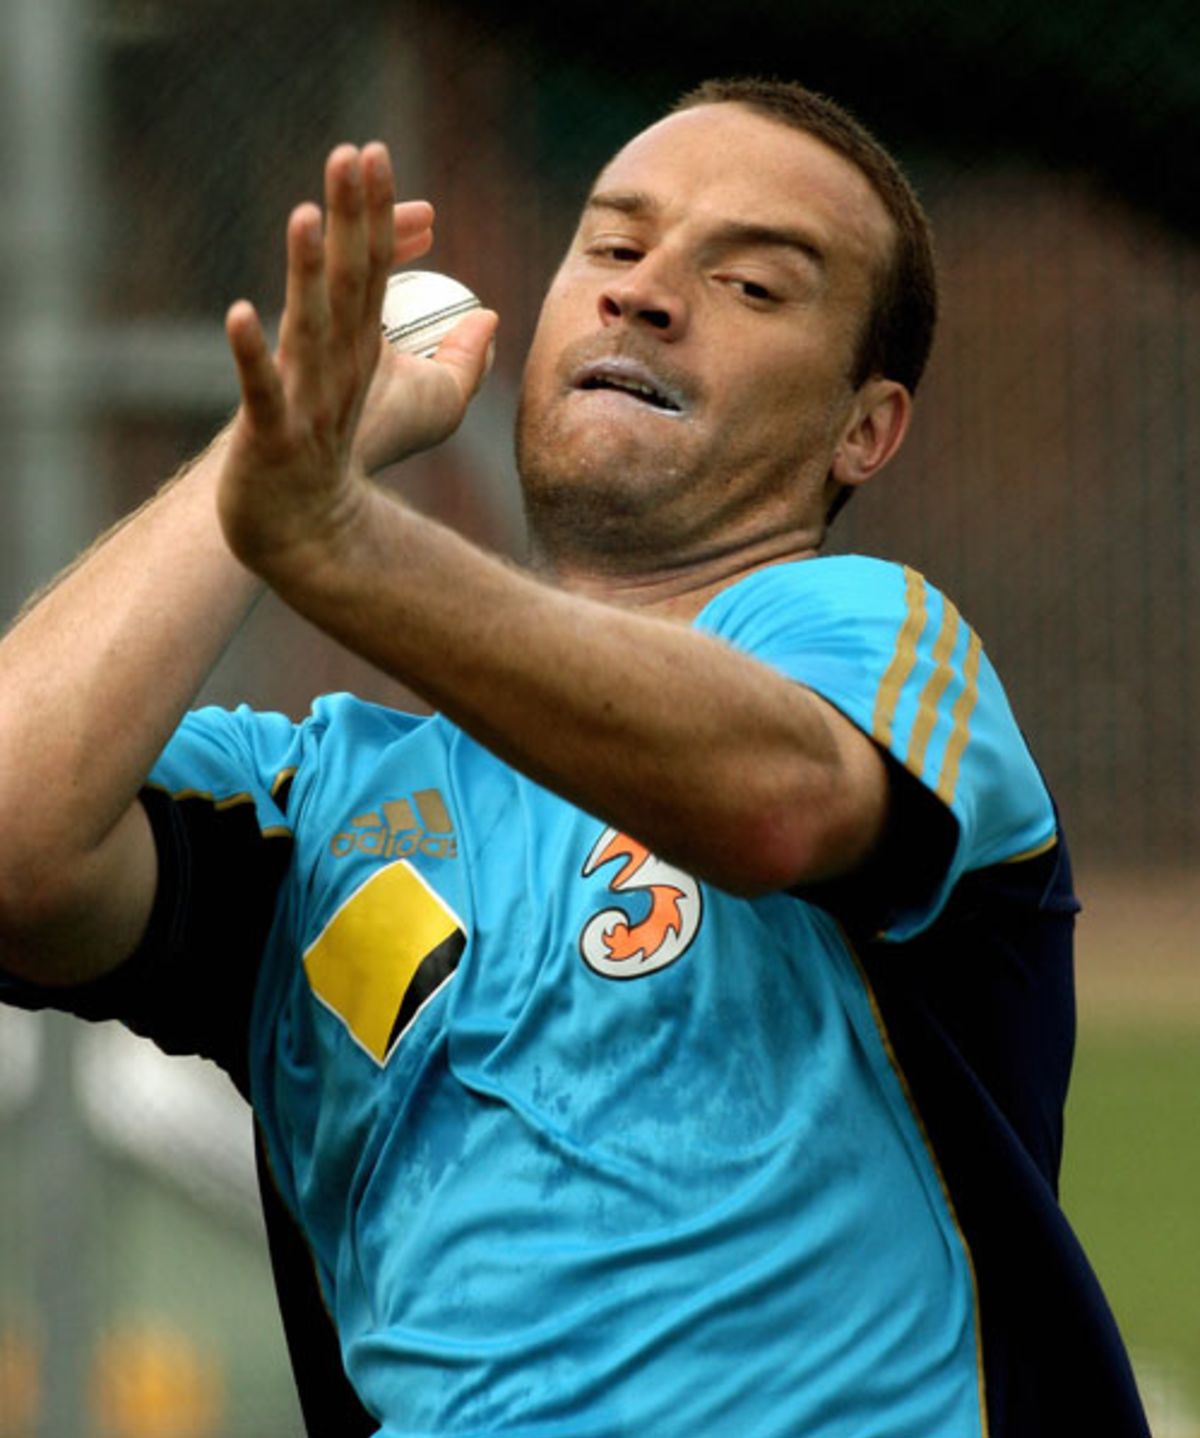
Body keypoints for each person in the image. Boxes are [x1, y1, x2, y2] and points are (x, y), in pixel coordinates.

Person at [0, 77, 1149, 1437]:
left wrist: (346, 547)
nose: (646, 292)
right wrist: (266, 462)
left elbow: (774, 800)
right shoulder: (312, 803)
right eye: (611, 245)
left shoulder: (872, 646)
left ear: (866, 427)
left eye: (754, 285)